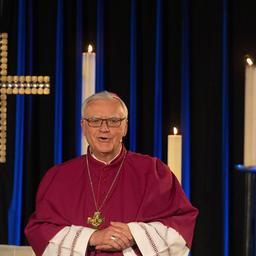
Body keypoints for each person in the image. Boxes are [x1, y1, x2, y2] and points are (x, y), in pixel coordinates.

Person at [25, 91, 198, 256]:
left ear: (125, 127)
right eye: (95, 120)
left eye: (114, 121)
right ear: (83, 126)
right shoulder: (59, 177)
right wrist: (91, 237)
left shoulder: (154, 172)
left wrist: (134, 234)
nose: (104, 128)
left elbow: (182, 224)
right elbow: (40, 230)